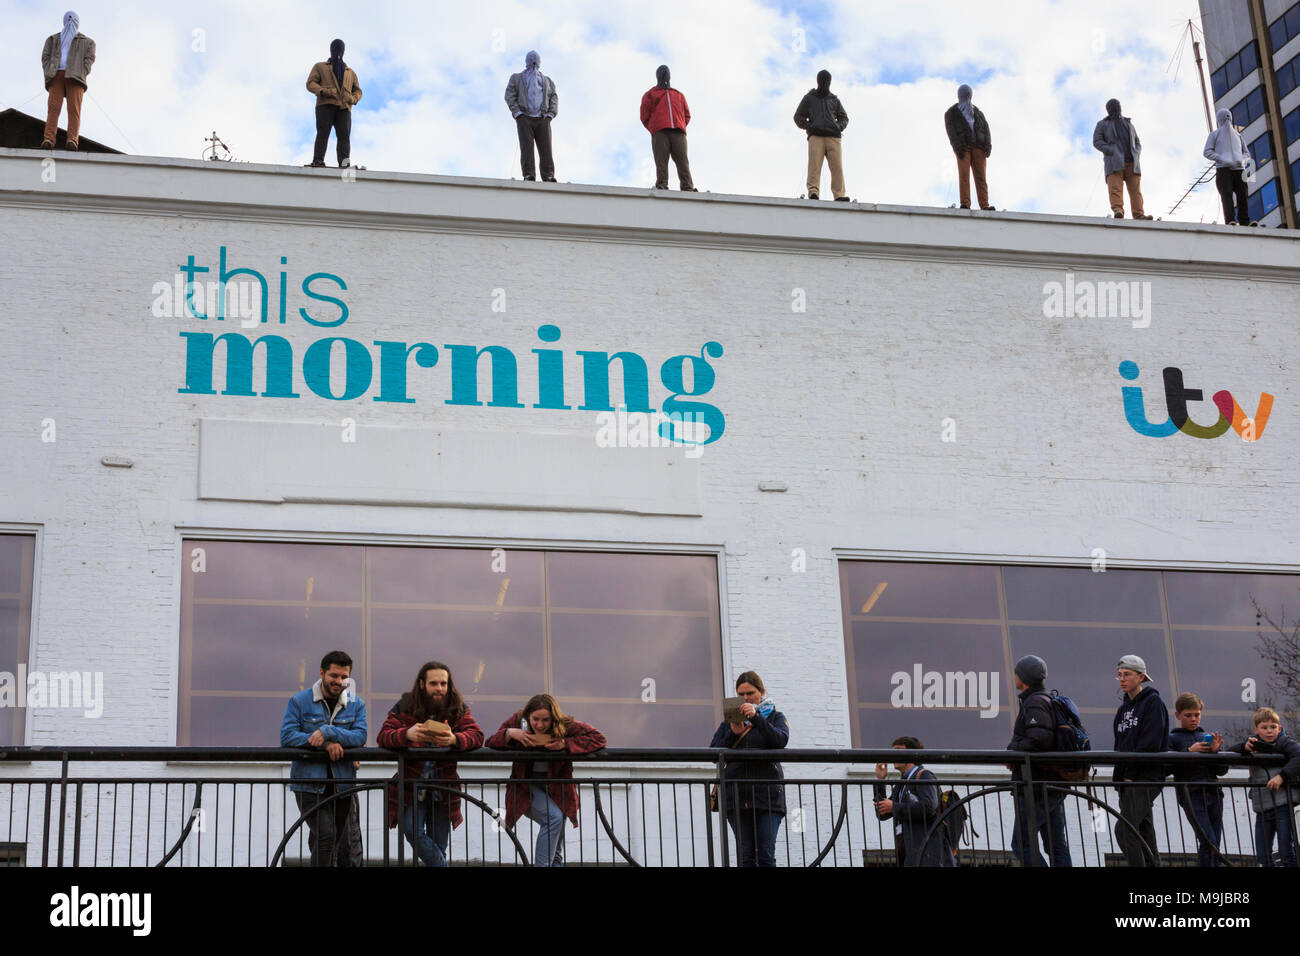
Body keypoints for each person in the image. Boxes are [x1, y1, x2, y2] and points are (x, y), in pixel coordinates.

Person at [376, 661, 483, 866]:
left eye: (444, 683)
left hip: (443, 787)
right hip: (411, 785)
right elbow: (383, 736)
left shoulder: (457, 707)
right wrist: (406, 734)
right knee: (410, 830)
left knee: (439, 844)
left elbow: (477, 735)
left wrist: (454, 739)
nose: (439, 688)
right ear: (422, 684)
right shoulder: (405, 705)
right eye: (434, 683)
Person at [485, 693, 606, 866]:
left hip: (558, 788)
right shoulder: (517, 721)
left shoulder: (565, 725)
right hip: (526, 787)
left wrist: (565, 744)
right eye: (535, 719)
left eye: (545, 720)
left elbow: (599, 738)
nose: (540, 725)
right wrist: (510, 734)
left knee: (556, 850)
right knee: (554, 818)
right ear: (528, 716)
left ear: (554, 719)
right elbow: (490, 742)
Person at [279, 650, 367, 867]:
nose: (339, 681)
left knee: (332, 839)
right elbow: (287, 736)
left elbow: (361, 736)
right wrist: (325, 745)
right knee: (326, 835)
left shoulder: (357, 704)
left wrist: (329, 732)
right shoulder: (299, 701)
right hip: (308, 784)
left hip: (343, 785)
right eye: (334, 676)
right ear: (321, 673)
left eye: (344, 677)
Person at [709, 670, 789, 866]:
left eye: (750, 693)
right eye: (741, 694)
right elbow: (713, 752)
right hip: (737, 797)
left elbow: (780, 740)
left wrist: (756, 718)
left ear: (761, 692)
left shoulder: (775, 717)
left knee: (766, 855)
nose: (746, 698)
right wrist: (734, 734)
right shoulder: (730, 722)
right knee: (745, 856)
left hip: (767, 797)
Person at [1005, 654, 1070, 867]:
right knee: (1056, 844)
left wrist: (1013, 751)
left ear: (1022, 677)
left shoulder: (1034, 702)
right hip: (1051, 785)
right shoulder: (1045, 699)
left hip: (1036, 786)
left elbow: (1039, 738)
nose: (1013, 676)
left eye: (1016, 673)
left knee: (1021, 843)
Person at [1112, 654, 1168, 866]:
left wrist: (1129, 776)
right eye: (1119, 675)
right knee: (1144, 832)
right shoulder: (1123, 709)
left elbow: (1150, 743)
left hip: (1145, 777)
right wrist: (1120, 779)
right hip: (1127, 781)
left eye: (1127, 674)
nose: (1122, 679)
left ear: (1141, 677)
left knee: (1125, 830)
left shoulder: (1153, 703)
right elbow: (1120, 745)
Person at [1233, 707, 1300, 867]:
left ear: (1280, 728)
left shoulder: (1285, 742)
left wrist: (1281, 776)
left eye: (1273, 727)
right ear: (1256, 730)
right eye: (1264, 727)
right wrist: (1244, 747)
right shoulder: (1253, 745)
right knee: (1263, 855)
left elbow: (1299, 756)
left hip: (1283, 805)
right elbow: (1228, 753)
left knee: (1286, 851)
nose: (1269, 731)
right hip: (1262, 808)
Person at [873, 736, 955, 867]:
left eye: (898, 750)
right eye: (892, 750)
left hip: (927, 853)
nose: (893, 755)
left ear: (912, 754)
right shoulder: (902, 784)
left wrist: (894, 807)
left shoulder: (924, 775)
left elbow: (929, 807)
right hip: (909, 854)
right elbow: (882, 813)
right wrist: (880, 781)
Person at [1167, 692, 1228, 867]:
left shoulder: (1206, 737)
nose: (1194, 719)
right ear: (1178, 715)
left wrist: (1216, 754)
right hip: (1191, 795)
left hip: (1214, 793)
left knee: (1213, 841)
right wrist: (1188, 752)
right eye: (1188, 715)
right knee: (1209, 840)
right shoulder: (1172, 739)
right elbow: (1165, 767)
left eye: (1197, 715)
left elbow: (1222, 771)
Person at [40, 11, 95, 151]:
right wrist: (49, 71)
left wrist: (83, 71)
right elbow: (45, 56)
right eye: (68, 18)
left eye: (73, 18)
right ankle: (49, 139)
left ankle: (72, 140)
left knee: (74, 110)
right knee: (53, 109)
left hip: (75, 77)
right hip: (55, 75)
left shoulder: (87, 42)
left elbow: (90, 59)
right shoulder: (53, 39)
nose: (70, 21)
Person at [793, 70, 849, 201]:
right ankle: (813, 192)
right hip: (816, 137)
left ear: (830, 82)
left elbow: (844, 118)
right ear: (818, 81)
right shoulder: (809, 98)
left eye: (827, 81)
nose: (825, 83)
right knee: (814, 166)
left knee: (837, 168)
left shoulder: (834, 100)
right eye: (822, 80)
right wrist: (809, 127)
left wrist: (838, 127)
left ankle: (839, 195)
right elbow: (797, 116)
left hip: (833, 137)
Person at [306, 39, 362, 168]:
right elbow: (310, 83)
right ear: (330, 49)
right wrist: (323, 91)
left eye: (340, 47)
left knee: (344, 137)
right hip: (325, 104)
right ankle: (318, 161)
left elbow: (358, 90)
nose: (338, 50)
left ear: (344, 51)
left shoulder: (350, 72)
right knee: (323, 133)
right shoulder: (320, 66)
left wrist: (353, 99)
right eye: (335, 47)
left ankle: (344, 164)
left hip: (344, 107)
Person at [1093, 98, 1152, 220]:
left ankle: (1139, 215)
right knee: (1115, 188)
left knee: (1136, 191)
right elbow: (1097, 141)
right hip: (1114, 162)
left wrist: (1137, 152)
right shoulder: (1102, 124)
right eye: (1112, 107)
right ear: (1108, 110)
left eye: (1117, 106)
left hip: (1132, 162)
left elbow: (1137, 141)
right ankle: (1118, 210)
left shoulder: (1129, 123)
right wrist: (1111, 150)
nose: (1116, 109)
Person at [640, 65, 696, 191]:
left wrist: (679, 124)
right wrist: (655, 127)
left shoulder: (679, 95)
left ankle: (687, 187)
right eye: (661, 72)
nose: (664, 73)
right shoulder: (650, 94)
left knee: (682, 161)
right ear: (657, 76)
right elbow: (644, 115)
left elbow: (686, 115)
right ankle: (662, 185)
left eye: (666, 72)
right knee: (661, 161)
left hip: (678, 132)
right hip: (660, 132)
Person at [505, 50, 557, 182]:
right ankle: (528, 174)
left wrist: (550, 114)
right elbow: (509, 94)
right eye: (531, 59)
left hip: (542, 119)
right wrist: (518, 113)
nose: (533, 61)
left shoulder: (548, 81)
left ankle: (548, 175)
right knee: (526, 147)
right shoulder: (516, 78)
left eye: (535, 60)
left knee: (546, 148)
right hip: (524, 117)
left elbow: (553, 97)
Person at [944, 84, 994, 211]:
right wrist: (957, 146)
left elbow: (986, 128)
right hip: (963, 147)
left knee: (981, 177)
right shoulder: (951, 113)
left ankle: (985, 205)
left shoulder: (977, 112)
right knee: (964, 176)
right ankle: (965, 203)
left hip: (979, 147)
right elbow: (951, 132)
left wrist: (987, 145)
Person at [1203, 108, 1253, 227]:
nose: (1227, 119)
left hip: (1238, 169)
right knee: (1226, 195)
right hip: (1223, 169)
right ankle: (1230, 220)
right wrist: (1222, 159)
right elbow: (1207, 151)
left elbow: (1247, 153)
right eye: (1225, 117)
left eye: (1228, 117)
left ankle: (1244, 221)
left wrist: (1241, 160)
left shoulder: (1238, 135)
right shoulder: (1215, 134)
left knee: (1243, 194)